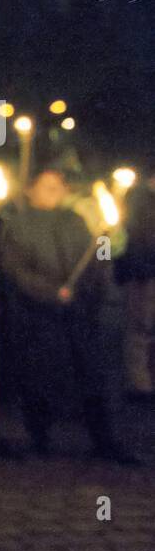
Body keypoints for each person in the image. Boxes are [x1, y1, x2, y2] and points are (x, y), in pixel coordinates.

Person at [0, 167, 135, 462]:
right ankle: (39, 438)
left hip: (78, 313)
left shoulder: (75, 220)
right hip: (37, 317)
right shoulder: (18, 224)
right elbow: (15, 270)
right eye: (47, 185)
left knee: (91, 375)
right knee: (38, 378)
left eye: (58, 186)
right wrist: (50, 292)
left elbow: (96, 258)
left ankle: (103, 439)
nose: (54, 191)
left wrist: (102, 255)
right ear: (31, 190)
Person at [119, 167, 155, 400]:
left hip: (143, 269)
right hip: (142, 273)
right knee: (141, 327)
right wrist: (105, 263)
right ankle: (139, 383)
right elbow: (114, 235)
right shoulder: (138, 200)